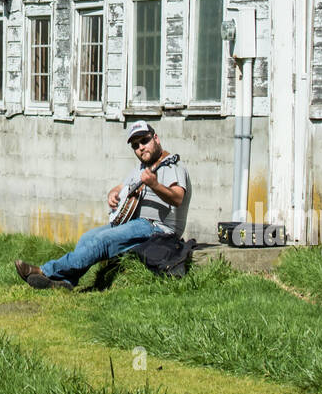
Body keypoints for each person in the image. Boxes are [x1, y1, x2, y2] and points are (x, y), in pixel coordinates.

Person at [15, 121, 192, 290]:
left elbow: (177, 198)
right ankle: (67, 281)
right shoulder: (142, 168)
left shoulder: (171, 166)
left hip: (158, 228)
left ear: (156, 138)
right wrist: (112, 194)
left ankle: (45, 271)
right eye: (135, 146)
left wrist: (155, 185)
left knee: (102, 241)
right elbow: (123, 187)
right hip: (137, 223)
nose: (141, 148)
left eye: (144, 141)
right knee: (87, 238)